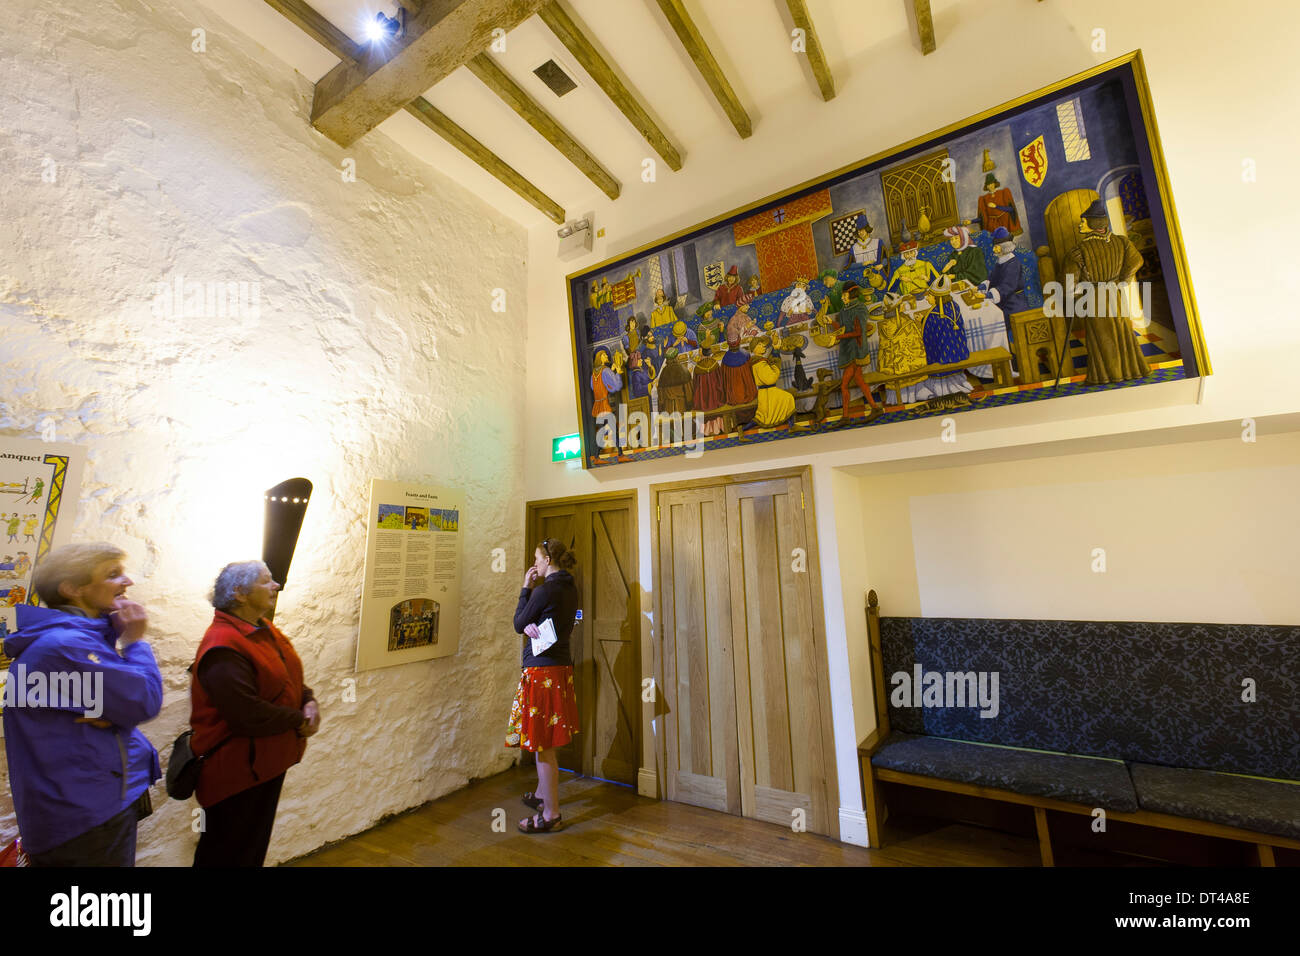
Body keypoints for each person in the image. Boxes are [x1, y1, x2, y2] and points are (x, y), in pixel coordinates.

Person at [2, 542, 162, 866]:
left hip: (81, 805)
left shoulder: (65, 642)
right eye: (113, 574)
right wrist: (135, 641)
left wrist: (114, 713)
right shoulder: (66, 646)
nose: (127, 581)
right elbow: (144, 699)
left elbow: (118, 705)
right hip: (84, 815)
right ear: (72, 588)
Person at [190, 561, 319, 867]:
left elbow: (287, 676)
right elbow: (245, 714)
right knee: (225, 853)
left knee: (248, 851)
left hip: (263, 764)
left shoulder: (263, 628)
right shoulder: (222, 644)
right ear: (239, 593)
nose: (276, 586)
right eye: (266, 581)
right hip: (236, 772)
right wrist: (298, 720)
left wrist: (309, 700)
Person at [508, 539, 580, 833]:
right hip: (560, 669)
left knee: (543, 745)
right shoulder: (570, 588)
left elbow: (517, 622)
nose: (535, 565)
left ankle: (551, 815)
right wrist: (529, 623)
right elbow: (551, 620)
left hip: (541, 671)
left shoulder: (544, 590)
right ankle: (541, 795)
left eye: (537, 559)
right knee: (548, 740)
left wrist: (525, 587)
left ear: (548, 559)